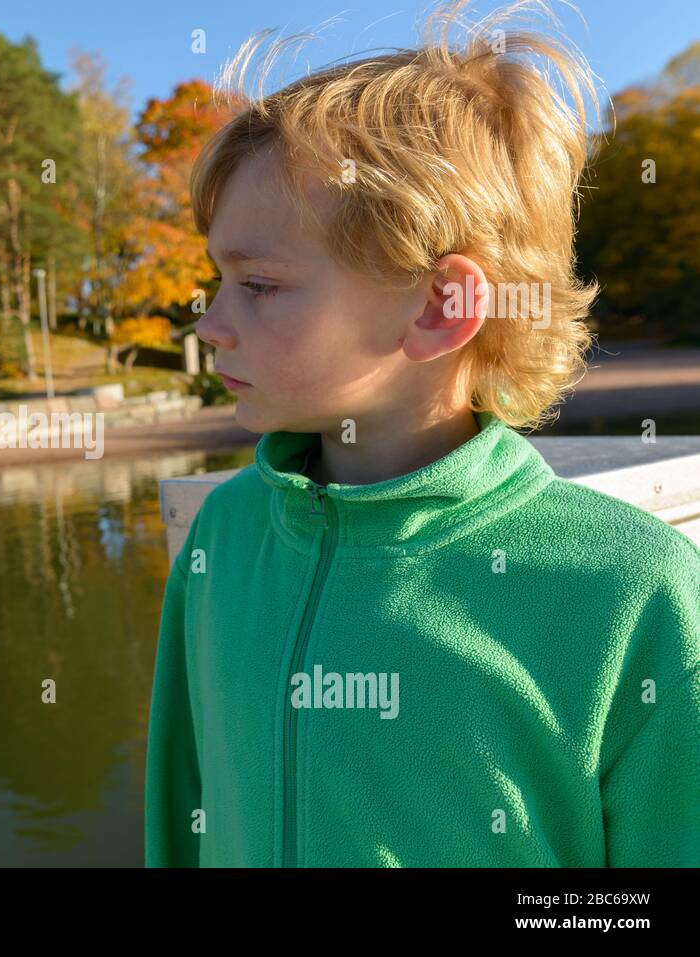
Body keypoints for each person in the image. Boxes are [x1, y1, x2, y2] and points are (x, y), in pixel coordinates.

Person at [144, 0, 700, 867]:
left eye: (257, 285)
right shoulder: (224, 537)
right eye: (218, 279)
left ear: (442, 307)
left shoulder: (632, 588)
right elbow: (183, 814)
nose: (208, 323)